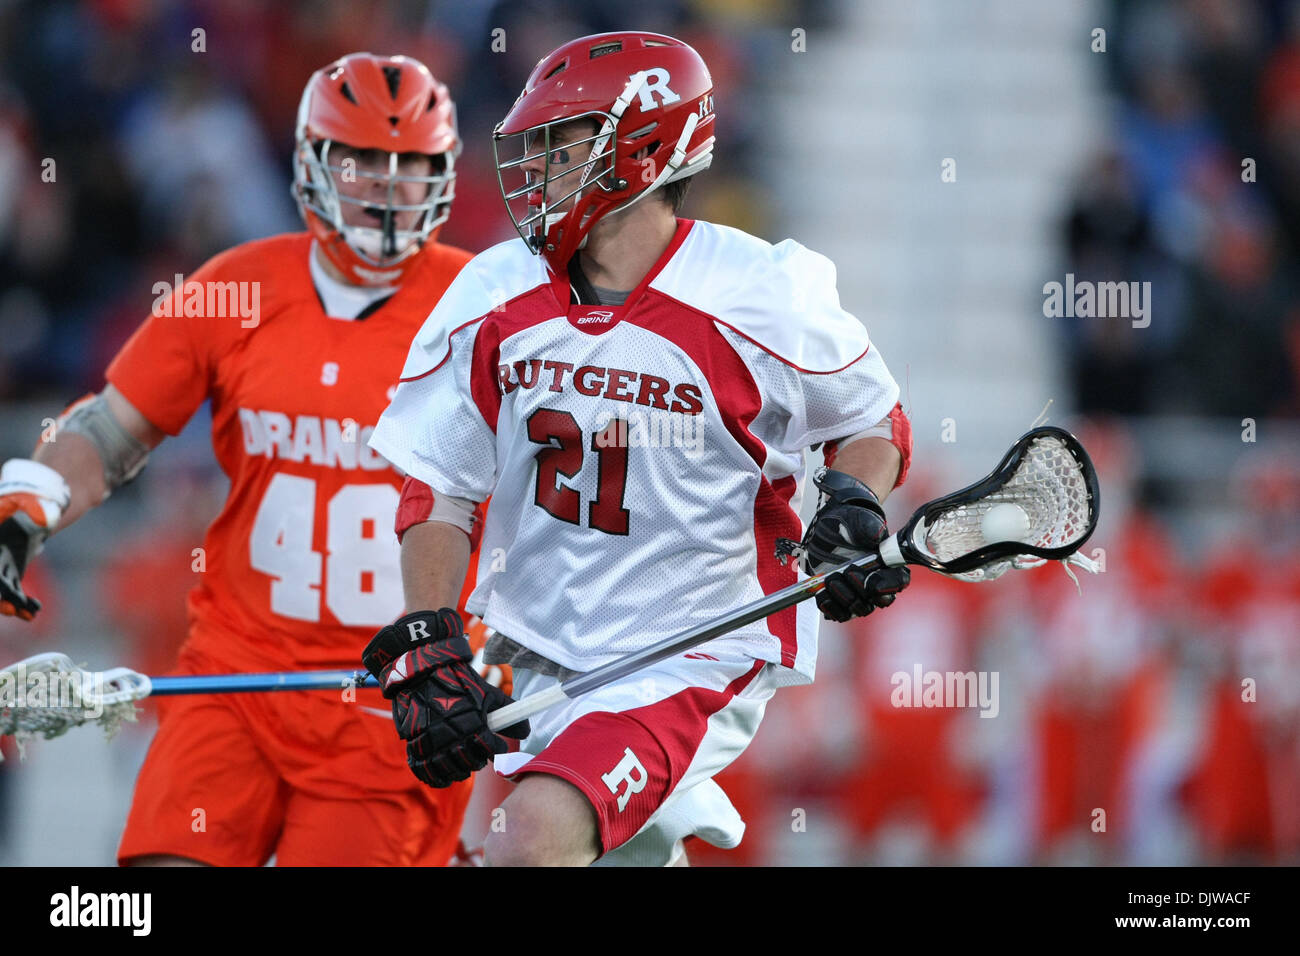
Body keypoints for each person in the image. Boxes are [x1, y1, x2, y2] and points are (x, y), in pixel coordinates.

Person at [364, 31, 914, 867]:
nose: (539, 165)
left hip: (689, 648)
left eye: (563, 140)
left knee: (530, 839)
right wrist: (428, 632)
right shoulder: (494, 290)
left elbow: (872, 422)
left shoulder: (758, 291)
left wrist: (854, 504)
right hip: (532, 650)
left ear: (643, 147)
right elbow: (439, 488)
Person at [0, 52, 495, 866]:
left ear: (442, 171)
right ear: (313, 161)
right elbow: (112, 428)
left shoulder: (486, 307)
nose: (386, 182)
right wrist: (33, 504)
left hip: (397, 692)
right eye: (362, 157)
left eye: (410, 162)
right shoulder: (236, 287)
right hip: (235, 675)